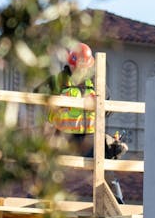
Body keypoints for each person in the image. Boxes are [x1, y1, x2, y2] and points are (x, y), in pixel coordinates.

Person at [44, 43, 128, 203]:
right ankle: (36, 202)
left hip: (90, 138)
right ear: (71, 65)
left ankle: (118, 204)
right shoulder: (58, 82)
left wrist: (99, 104)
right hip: (64, 138)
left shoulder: (96, 83)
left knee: (105, 171)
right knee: (50, 171)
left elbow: (109, 108)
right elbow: (42, 102)